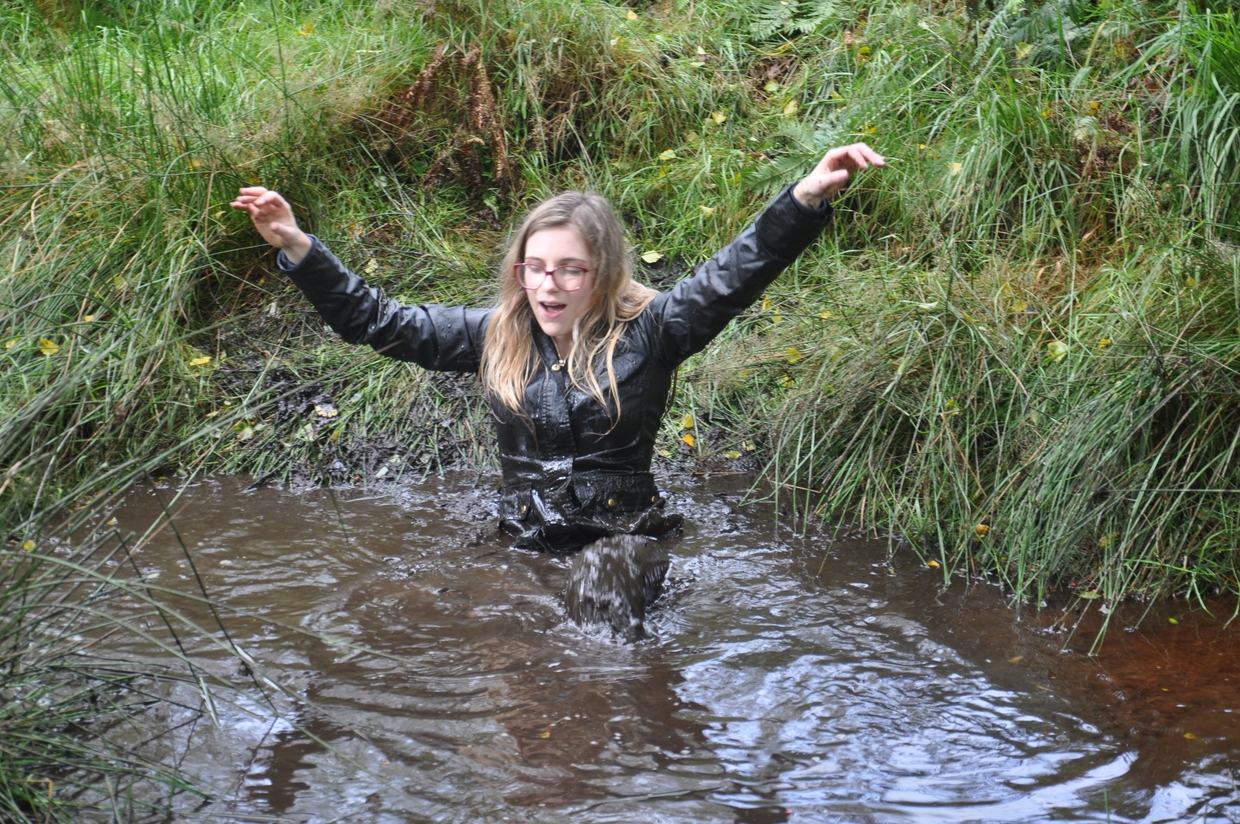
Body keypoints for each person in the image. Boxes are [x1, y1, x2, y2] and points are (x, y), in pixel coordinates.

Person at [232, 143, 884, 634]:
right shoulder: (495, 334)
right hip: (524, 538)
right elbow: (379, 322)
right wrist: (297, 245)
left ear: (602, 273)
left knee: (600, 585)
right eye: (537, 269)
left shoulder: (654, 330)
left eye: (571, 271)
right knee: (397, 605)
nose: (549, 286)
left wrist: (802, 201)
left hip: (624, 539)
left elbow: (731, 277)